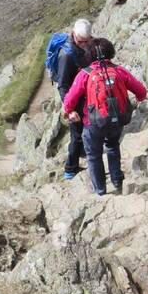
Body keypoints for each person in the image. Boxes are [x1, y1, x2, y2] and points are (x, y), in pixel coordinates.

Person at [62, 37, 147, 196]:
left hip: (93, 122)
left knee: (93, 155)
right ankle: (117, 180)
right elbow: (141, 91)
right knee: (113, 146)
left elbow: (70, 99)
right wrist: (140, 99)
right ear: (111, 52)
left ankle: (100, 190)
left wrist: (68, 111)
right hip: (117, 119)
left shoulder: (85, 74)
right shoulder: (119, 70)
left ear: (89, 55)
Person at [49, 19, 94, 180]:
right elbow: (62, 86)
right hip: (74, 98)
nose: (83, 44)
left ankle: (82, 151)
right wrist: (70, 109)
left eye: (86, 41)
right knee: (76, 133)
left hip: (83, 94)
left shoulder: (85, 43)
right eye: (80, 41)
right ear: (74, 34)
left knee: (83, 130)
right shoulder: (66, 55)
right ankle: (70, 168)